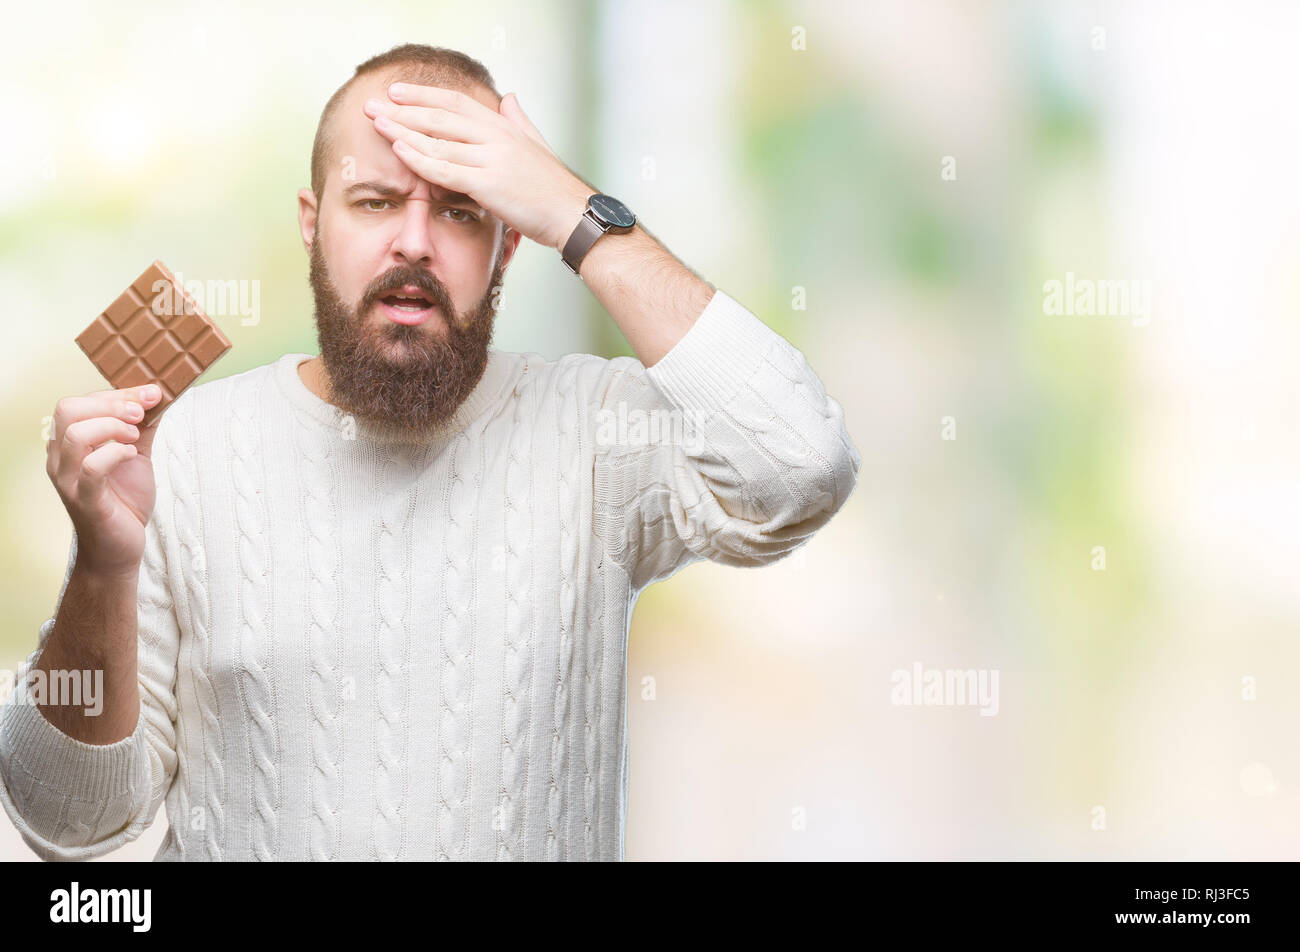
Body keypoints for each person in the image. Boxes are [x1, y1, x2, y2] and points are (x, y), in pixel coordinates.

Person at [0, 43, 861, 861]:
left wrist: (574, 209)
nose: (413, 242)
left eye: (460, 210)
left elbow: (799, 464)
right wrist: (104, 570)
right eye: (374, 201)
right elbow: (69, 823)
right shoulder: (184, 451)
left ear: (509, 243)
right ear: (313, 223)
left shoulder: (593, 428)